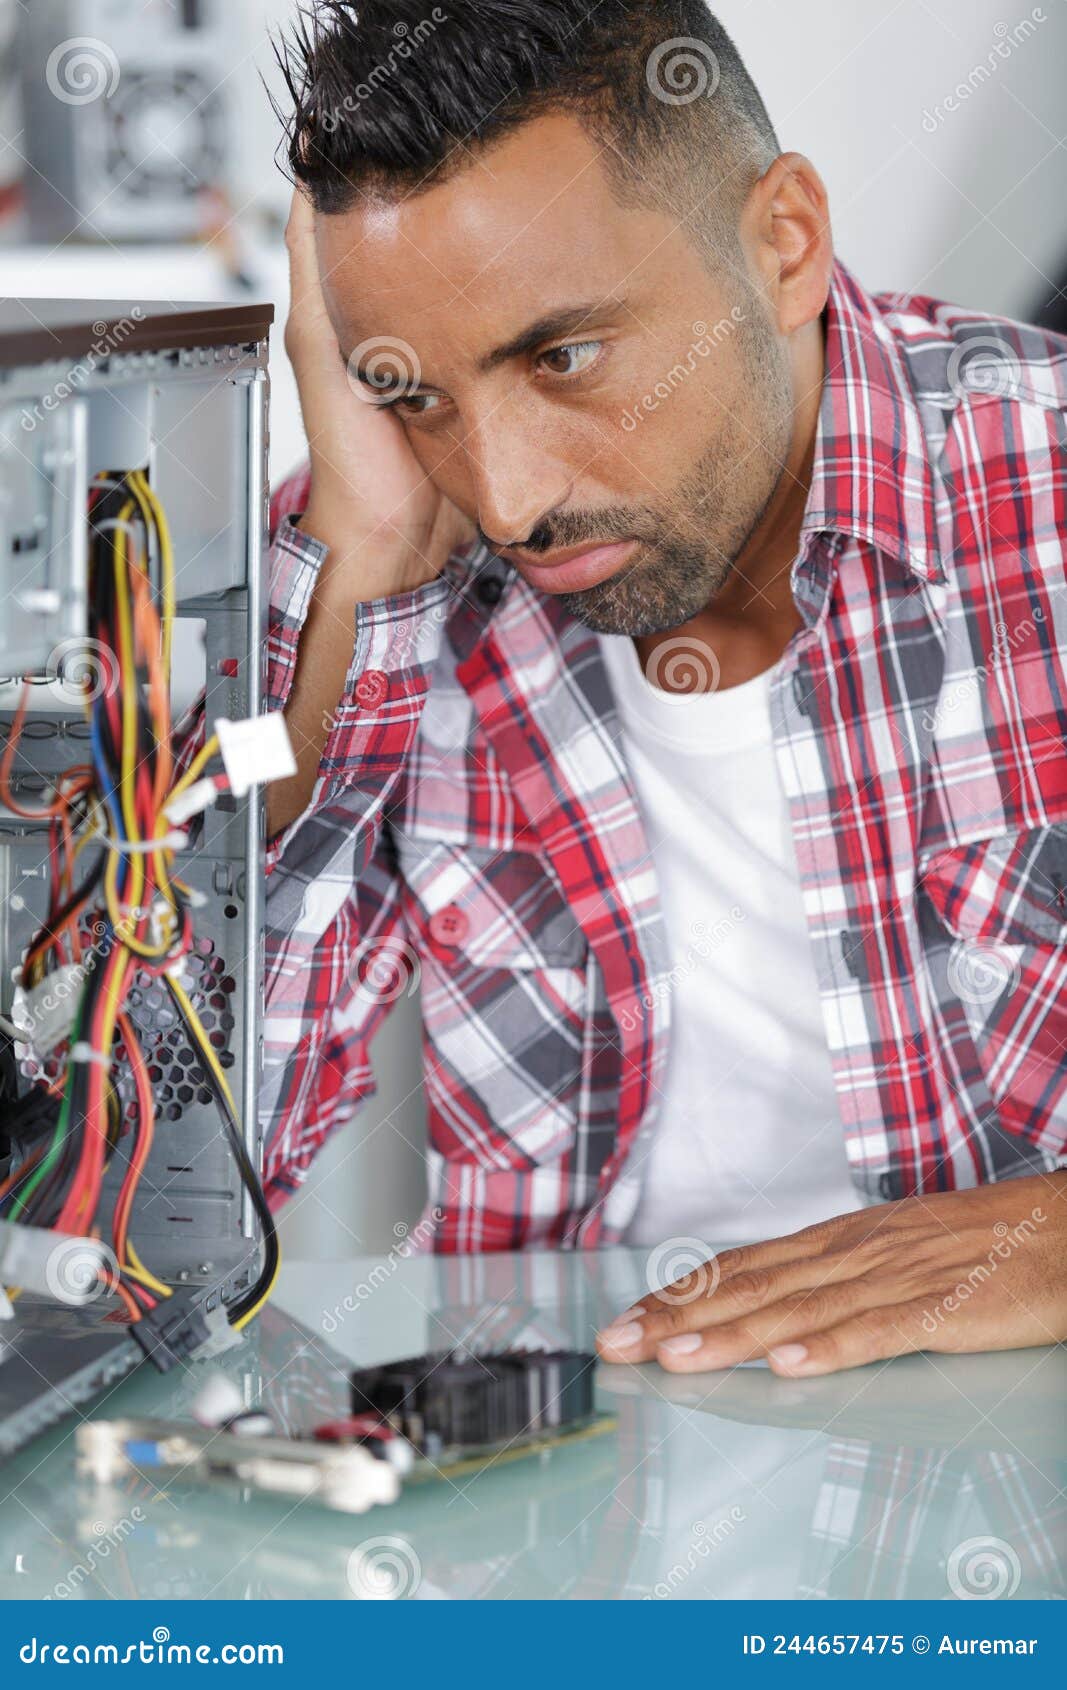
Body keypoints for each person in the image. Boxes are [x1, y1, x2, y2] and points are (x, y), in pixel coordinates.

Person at [180, 0, 1067, 1376]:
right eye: (412, 393)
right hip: (577, 1465)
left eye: (564, 357)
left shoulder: (1042, 496)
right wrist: (356, 579)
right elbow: (139, 1219)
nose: (510, 499)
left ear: (784, 242)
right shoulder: (379, 563)